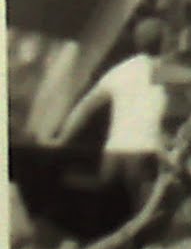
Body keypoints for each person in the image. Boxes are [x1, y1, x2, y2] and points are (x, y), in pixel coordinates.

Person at [46, 20, 168, 213]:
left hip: (112, 158)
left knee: (112, 215)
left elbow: (84, 107)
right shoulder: (166, 69)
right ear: (166, 40)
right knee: (150, 214)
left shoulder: (120, 71)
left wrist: (62, 139)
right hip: (144, 153)